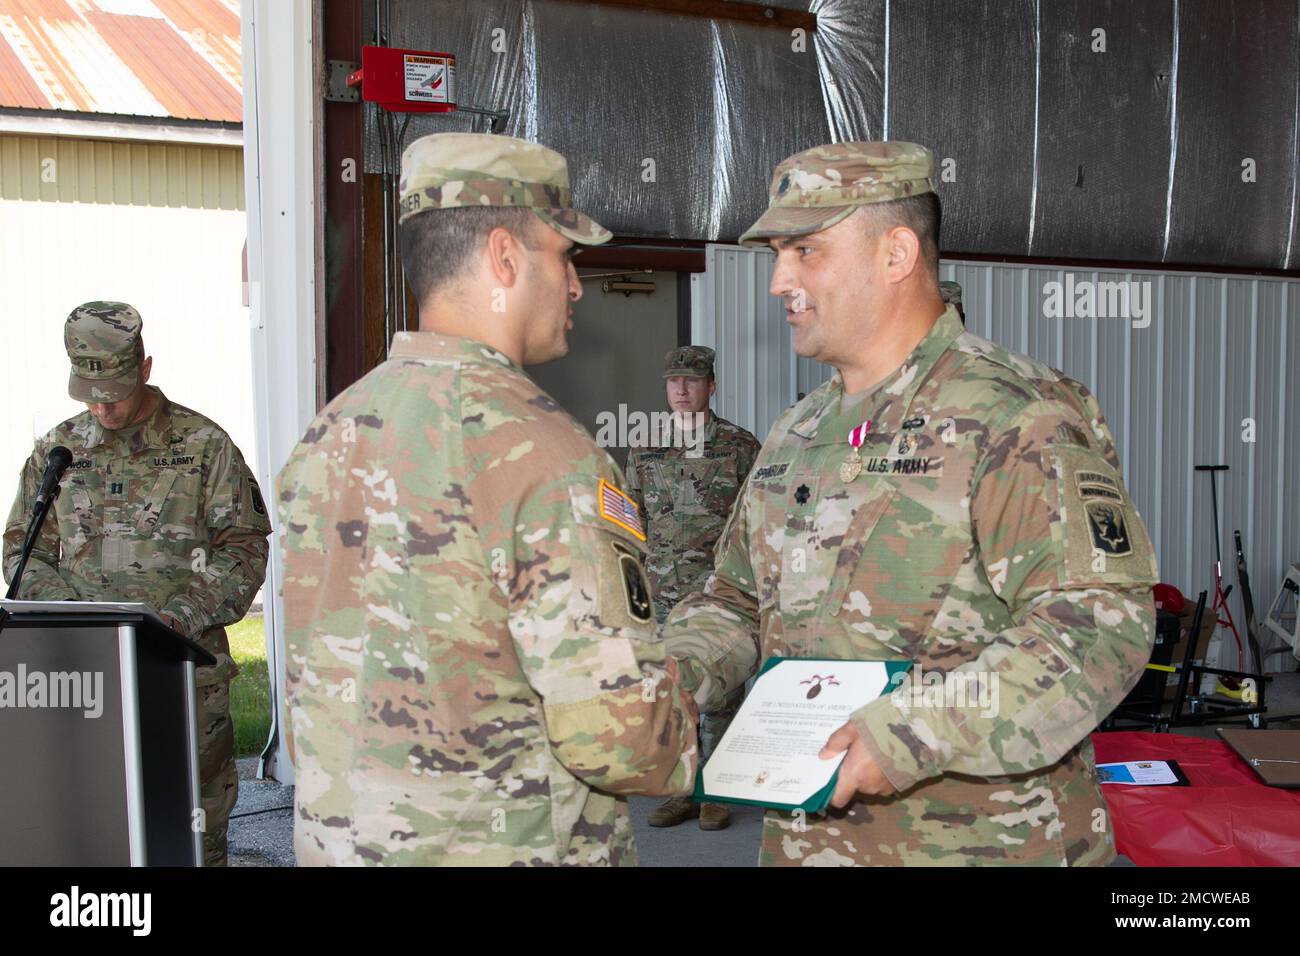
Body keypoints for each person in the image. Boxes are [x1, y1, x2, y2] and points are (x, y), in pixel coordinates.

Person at [662, 141, 1159, 866]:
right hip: (808, 844)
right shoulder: (798, 429)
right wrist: (672, 673)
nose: (779, 282)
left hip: (983, 847)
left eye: (805, 251)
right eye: (777, 254)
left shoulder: (1017, 415)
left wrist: (905, 735)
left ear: (896, 254)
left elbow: (1097, 630)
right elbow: (736, 599)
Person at [277, 132, 699, 867]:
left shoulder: (329, 431)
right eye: (565, 257)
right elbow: (619, 739)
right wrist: (686, 722)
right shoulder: (548, 455)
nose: (575, 286)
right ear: (506, 256)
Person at [2, 302, 270, 866]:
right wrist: (83, 620)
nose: (103, 407)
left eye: (116, 392)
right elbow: (24, 554)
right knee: (89, 829)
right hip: (83, 680)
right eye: (89, 394)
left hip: (182, 679)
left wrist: (176, 618)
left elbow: (244, 549)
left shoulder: (204, 447)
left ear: (145, 368)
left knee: (192, 837)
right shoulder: (59, 452)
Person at [625, 345, 759, 831]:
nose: (681, 390)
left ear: (711, 387)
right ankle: (682, 788)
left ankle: (716, 789)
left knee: (720, 692)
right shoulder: (645, 446)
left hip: (719, 592)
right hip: (661, 590)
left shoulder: (740, 446)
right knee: (673, 690)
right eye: (673, 382)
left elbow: (755, 521)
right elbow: (630, 517)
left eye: (692, 381)